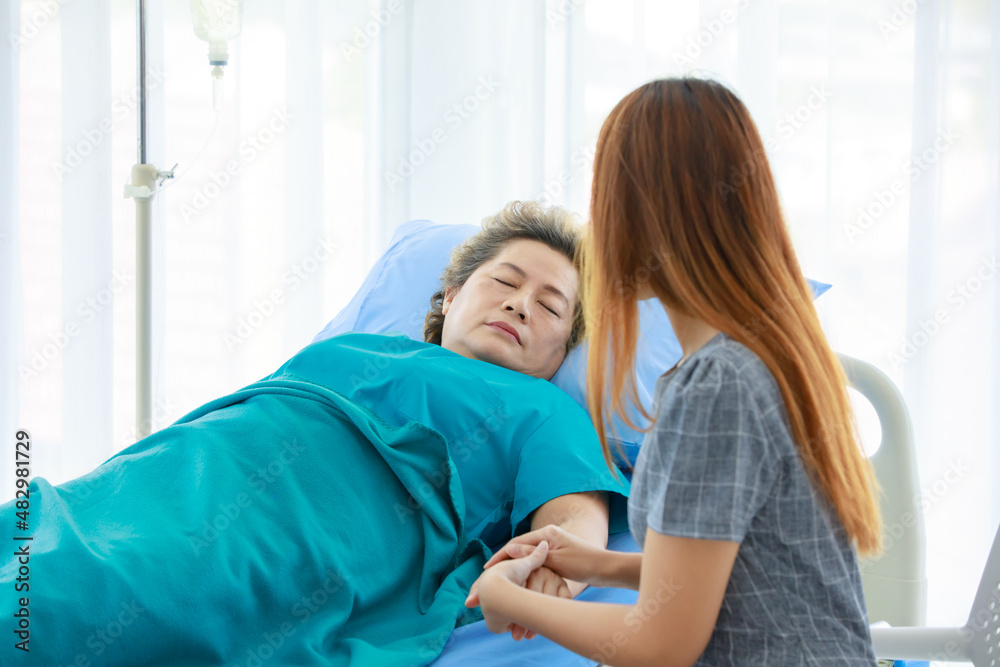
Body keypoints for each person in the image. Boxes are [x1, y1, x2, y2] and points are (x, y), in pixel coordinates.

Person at [0, 201, 628, 666]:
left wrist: (553, 579)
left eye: (551, 305)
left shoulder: (545, 409)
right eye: (505, 280)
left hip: (333, 514)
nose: (521, 304)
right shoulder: (356, 347)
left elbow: (574, 521)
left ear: (560, 352)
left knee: (100, 591)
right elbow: (247, 417)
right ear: (451, 294)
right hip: (203, 458)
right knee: (49, 530)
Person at [466, 78, 883, 665]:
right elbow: (740, 573)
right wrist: (593, 561)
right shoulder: (753, 358)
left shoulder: (718, 388)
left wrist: (512, 599)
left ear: (638, 213)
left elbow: (661, 643)